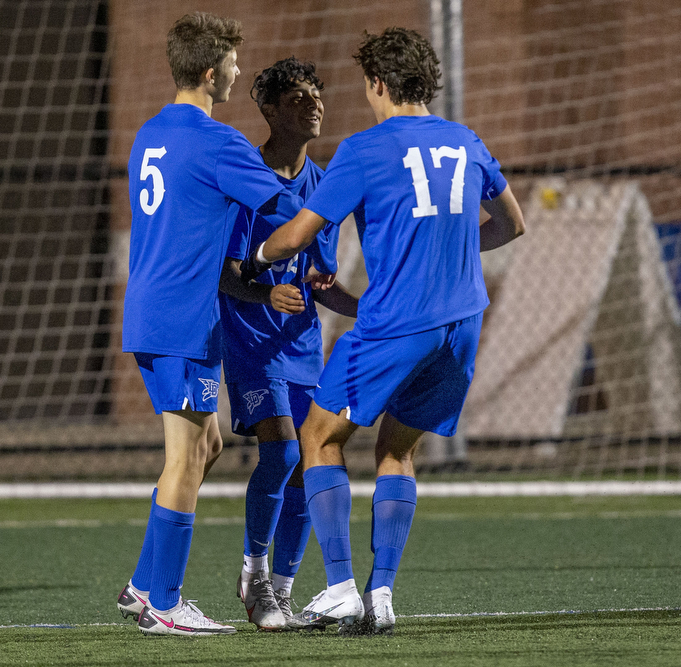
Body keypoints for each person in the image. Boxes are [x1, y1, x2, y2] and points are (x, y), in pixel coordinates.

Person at [241, 27, 526, 634]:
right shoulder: (466, 140)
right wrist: (447, 254)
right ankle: (383, 596)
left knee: (318, 436)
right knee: (397, 450)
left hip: (397, 323)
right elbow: (511, 224)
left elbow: (295, 235)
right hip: (463, 325)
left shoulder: (365, 148)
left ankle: (341, 585)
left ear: (376, 82)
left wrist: (256, 260)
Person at [115, 12, 305, 636]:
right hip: (184, 320)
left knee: (209, 443)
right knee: (187, 456)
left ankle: (143, 586)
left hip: (150, 310)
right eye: (231, 62)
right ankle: (163, 605)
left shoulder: (150, 133)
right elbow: (287, 205)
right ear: (207, 70)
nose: (238, 71)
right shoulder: (216, 141)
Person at [218, 57, 359, 632]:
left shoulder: (322, 185)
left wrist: (367, 308)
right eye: (299, 98)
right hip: (252, 341)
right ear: (270, 110)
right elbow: (224, 274)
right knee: (282, 452)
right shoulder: (243, 180)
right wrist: (263, 295)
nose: (314, 106)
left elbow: (319, 281)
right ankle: (253, 575)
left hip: (303, 348)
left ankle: (281, 589)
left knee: (312, 460)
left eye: (316, 96)